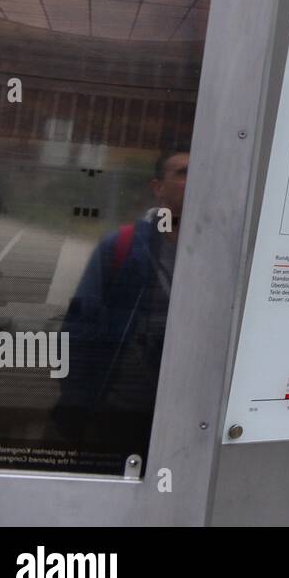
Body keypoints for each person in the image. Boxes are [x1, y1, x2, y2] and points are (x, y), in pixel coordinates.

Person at [53, 147, 189, 464]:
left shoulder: (219, 251)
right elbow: (78, 329)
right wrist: (76, 403)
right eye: (182, 173)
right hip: (121, 408)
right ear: (157, 187)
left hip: (188, 412)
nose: (194, 181)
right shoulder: (124, 246)